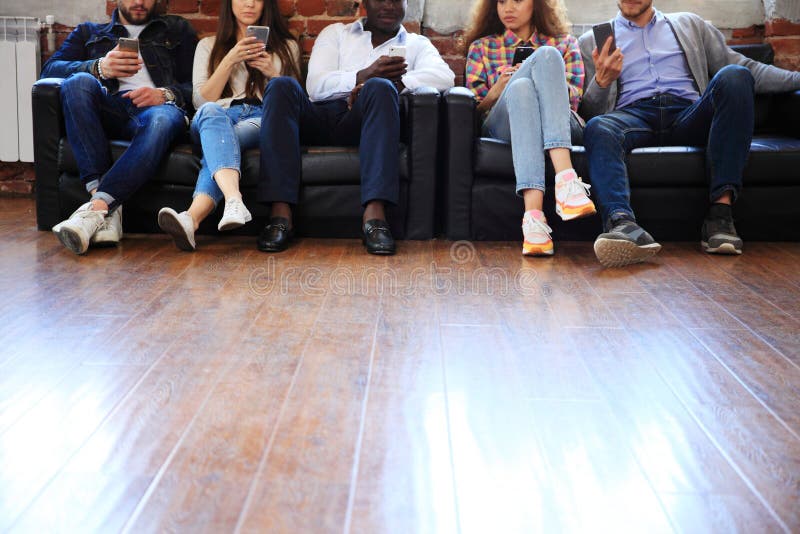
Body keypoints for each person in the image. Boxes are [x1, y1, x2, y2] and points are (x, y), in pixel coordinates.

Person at [580, 0, 800, 267]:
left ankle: (720, 216)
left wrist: (797, 80)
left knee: (736, 75)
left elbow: (749, 70)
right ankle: (622, 225)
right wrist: (601, 82)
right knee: (598, 127)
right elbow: (590, 114)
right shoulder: (593, 41)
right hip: (633, 117)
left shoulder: (689, 24)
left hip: (689, 113)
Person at [256, 0, 455, 255]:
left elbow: (444, 76)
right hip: (319, 117)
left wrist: (394, 83)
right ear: (364, 3)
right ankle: (280, 215)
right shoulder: (337, 34)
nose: (389, 5)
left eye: (397, 0)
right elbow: (315, 85)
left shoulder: (417, 44)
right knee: (281, 86)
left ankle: (375, 219)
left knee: (380, 88)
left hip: (366, 122)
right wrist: (363, 75)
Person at [41, 0, 197, 255]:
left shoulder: (176, 29)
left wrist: (166, 94)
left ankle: (98, 207)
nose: (139, 2)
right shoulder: (88, 32)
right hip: (108, 109)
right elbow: (49, 70)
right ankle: (105, 205)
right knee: (78, 82)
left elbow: (201, 85)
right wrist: (99, 67)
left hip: (156, 110)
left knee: (163, 119)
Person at [157, 0, 301, 251]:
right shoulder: (208, 46)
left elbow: (297, 102)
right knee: (213, 115)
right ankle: (234, 198)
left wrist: (271, 71)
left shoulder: (287, 47)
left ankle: (191, 218)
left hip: (262, 116)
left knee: (220, 142)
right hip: (217, 114)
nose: (249, 3)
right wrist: (230, 59)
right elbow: (201, 100)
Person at [465, 0, 594, 256]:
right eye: (501, 1)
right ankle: (567, 182)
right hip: (504, 124)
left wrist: (539, 77)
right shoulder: (482, 47)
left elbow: (574, 100)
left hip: (560, 120)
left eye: (517, 0)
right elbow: (474, 109)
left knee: (536, 71)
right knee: (518, 88)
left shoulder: (565, 44)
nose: (508, 8)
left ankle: (534, 220)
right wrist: (497, 91)